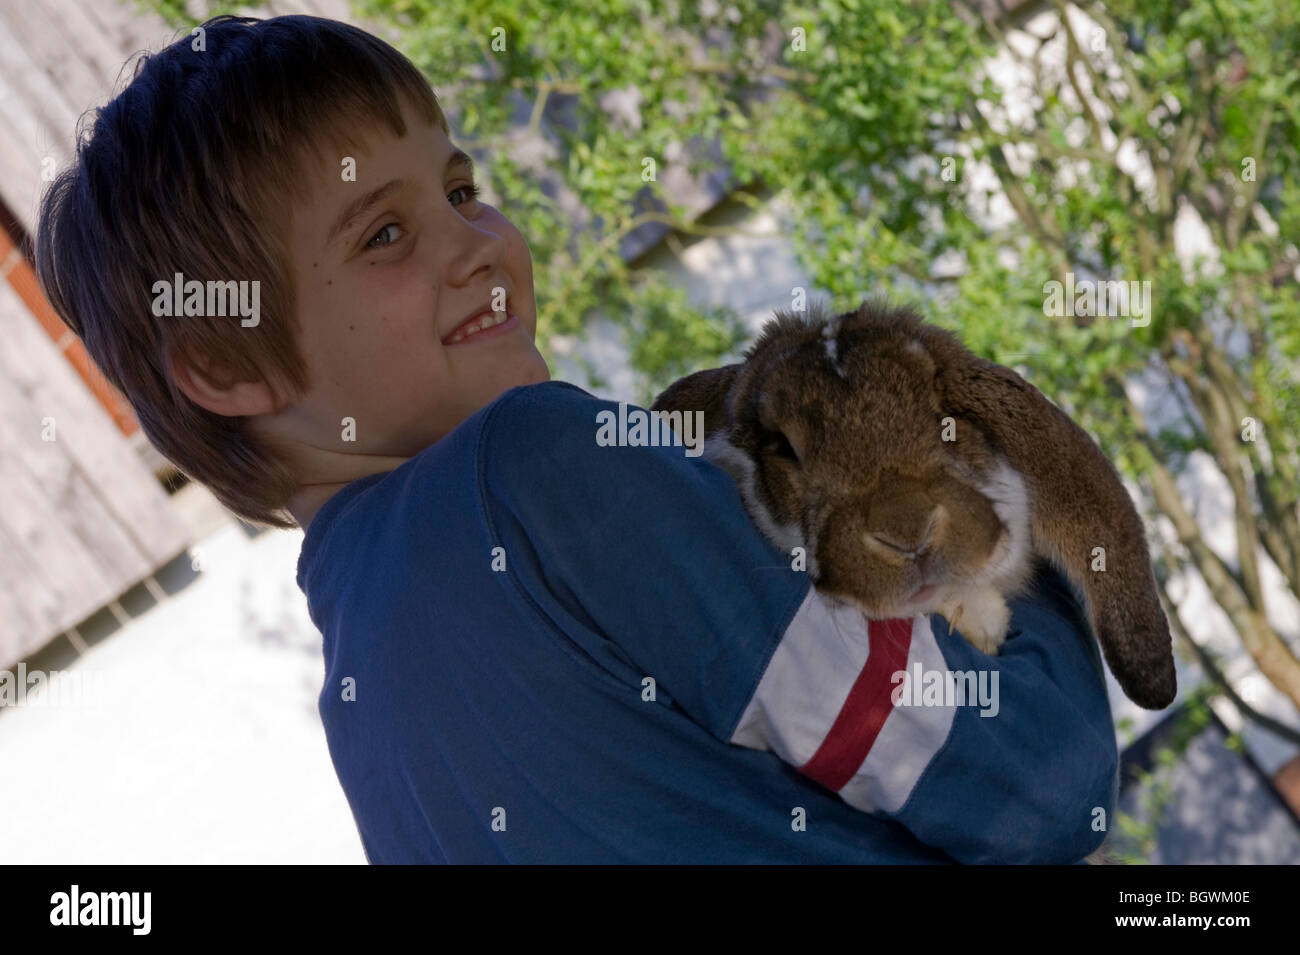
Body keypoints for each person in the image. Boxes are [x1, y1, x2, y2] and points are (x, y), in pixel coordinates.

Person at [35, 14, 1118, 863]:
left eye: (462, 189)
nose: (478, 245)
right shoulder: (540, 464)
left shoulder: (366, 714)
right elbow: (1034, 788)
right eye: (386, 232)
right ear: (227, 364)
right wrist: (1015, 517)